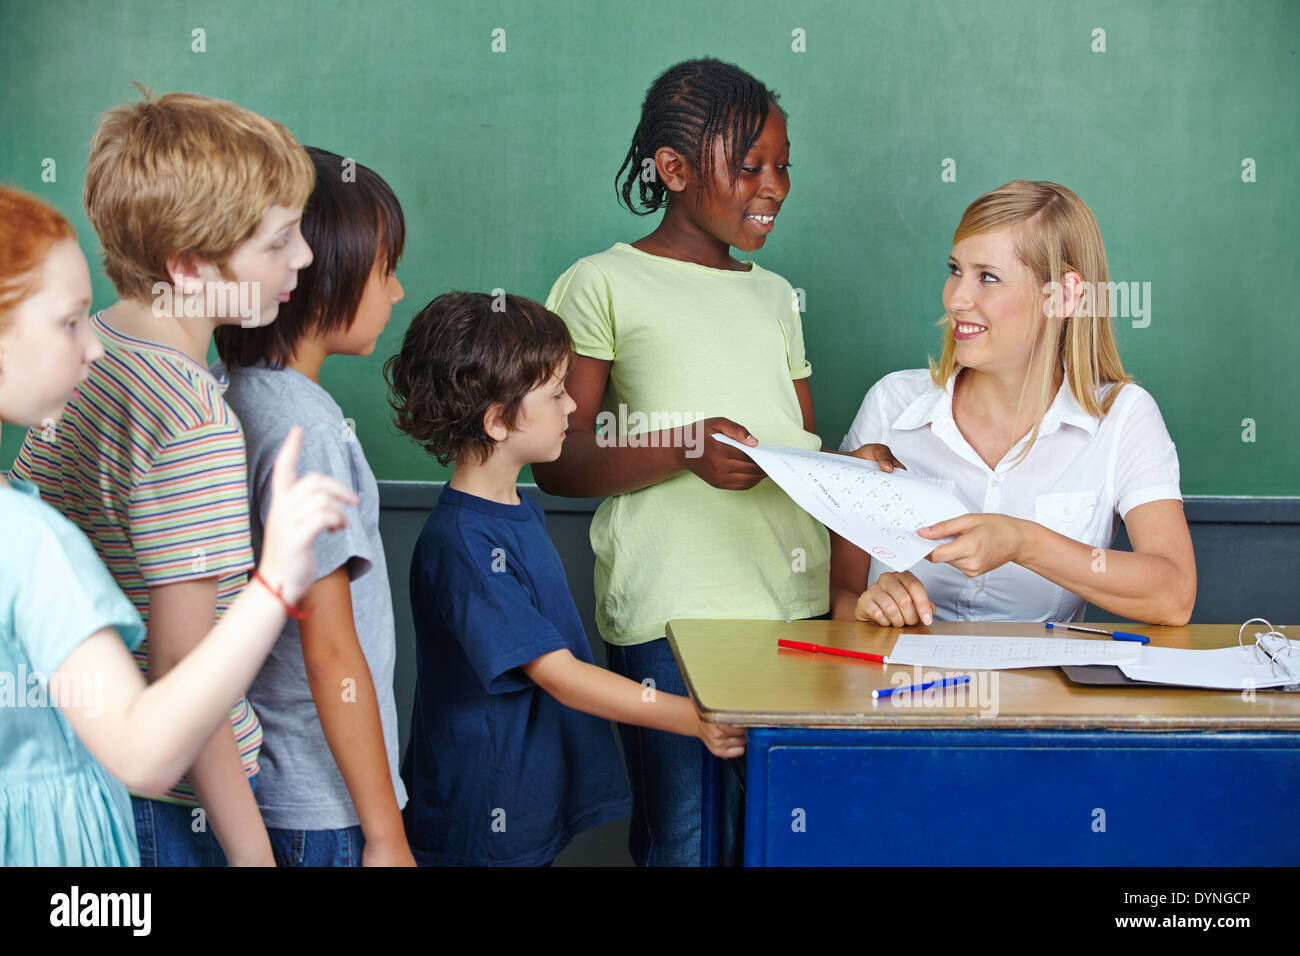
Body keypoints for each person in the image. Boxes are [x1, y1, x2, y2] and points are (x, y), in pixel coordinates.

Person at [533, 57, 896, 865]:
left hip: (794, 607)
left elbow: (796, 449)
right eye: (751, 166)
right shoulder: (602, 284)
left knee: (772, 833)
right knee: (686, 838)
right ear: (675, 170)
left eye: (783, 164)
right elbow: (556, 460)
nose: (775, 185)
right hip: (674, 618)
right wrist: (680, 449)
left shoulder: (776, 295)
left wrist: (853, 466)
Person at [0, 184, 358, 866]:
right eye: (70, 322)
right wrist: (275, 583)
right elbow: (145, 753)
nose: (94, 347)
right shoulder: (26, 538)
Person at [385, 291, 746, 866]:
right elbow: (561, 676)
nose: (574, 409)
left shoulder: (510, 511)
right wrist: (693, 719)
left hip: (519, 796)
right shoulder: (464, 543)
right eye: (556, 394)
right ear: (498, 420)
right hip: (480, 813)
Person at [830, 180, 1196, 627]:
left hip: (1043, 693)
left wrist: (1023, 542)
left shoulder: (1122, 416)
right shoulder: (892, 403)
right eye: (955, 270)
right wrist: (867, 607)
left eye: (988, 277)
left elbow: (1174, 595)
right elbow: (839, 596)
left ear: (1063, 296)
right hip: (899, 688)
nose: (956, 299)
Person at [213, 147, 413, 867]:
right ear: (321, 276)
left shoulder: (226, 392)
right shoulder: (312, 430)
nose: (395, 294)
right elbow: (331, 653)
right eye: (384, 270)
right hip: (323, 804)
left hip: (258, 785)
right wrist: (386, 835)